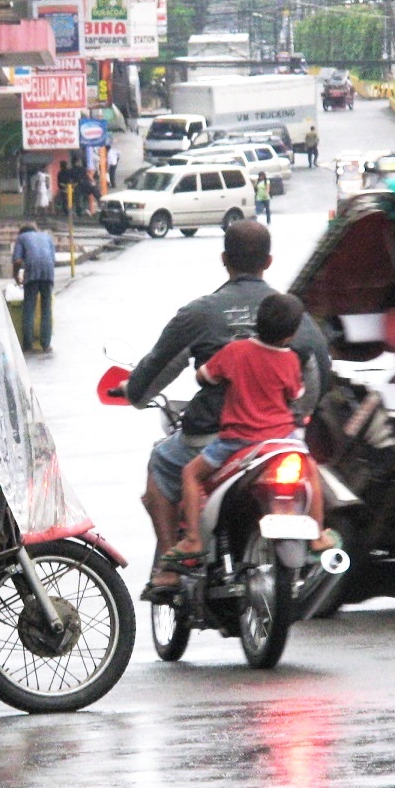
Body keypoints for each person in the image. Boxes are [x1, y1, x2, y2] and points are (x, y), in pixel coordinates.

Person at [123, 221, 331, 596]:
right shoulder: (295, 318)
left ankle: (171, 567)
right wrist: (296, 417)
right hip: (278, 441)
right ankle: (318, 534)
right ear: (269, 261)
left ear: (224, 259)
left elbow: (154, 376)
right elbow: (315, 384)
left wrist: (135, 393)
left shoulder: (199, 315)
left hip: (215, 440)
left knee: (161, 465)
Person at [160, 294, 336, 568]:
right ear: (290, 334)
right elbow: (297, 394)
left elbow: (204, 376)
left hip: (237, 442)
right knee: (311, 471)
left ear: (257, 322)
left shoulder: (235, 351)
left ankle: (193, 539)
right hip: (282, 441)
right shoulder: (290, 360)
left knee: (190, 473)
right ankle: (318, 534)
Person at [12, 223, 57, 354]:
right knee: (46, 309)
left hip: (32, 272)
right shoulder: (46, 236)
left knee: (29, 308)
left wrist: (16, 276)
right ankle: (46, 345)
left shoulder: (21, 238)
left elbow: (17, 261)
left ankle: (27, 345)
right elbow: (52, 258)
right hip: (48, 272)